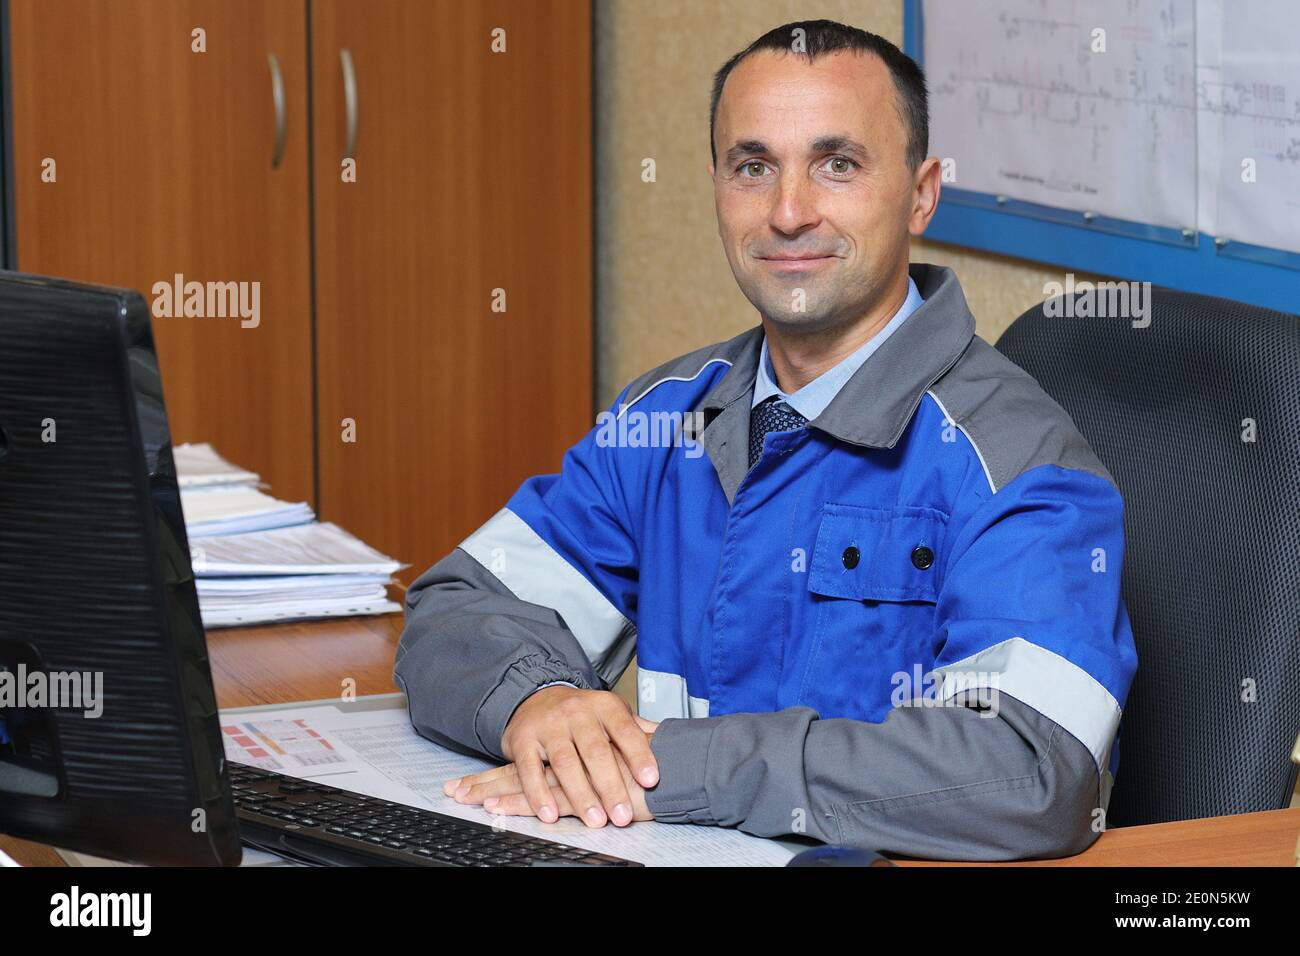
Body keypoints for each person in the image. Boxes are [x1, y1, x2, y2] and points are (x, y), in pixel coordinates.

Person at [393, 19, 1138, 860]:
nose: (788, 213)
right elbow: (455, 610)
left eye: (838, 164)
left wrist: (677, 767)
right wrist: (541, 704)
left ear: (922, 192)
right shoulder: (667, 418)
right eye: (753, 167)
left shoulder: (1017, 459)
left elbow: (1025, 768)